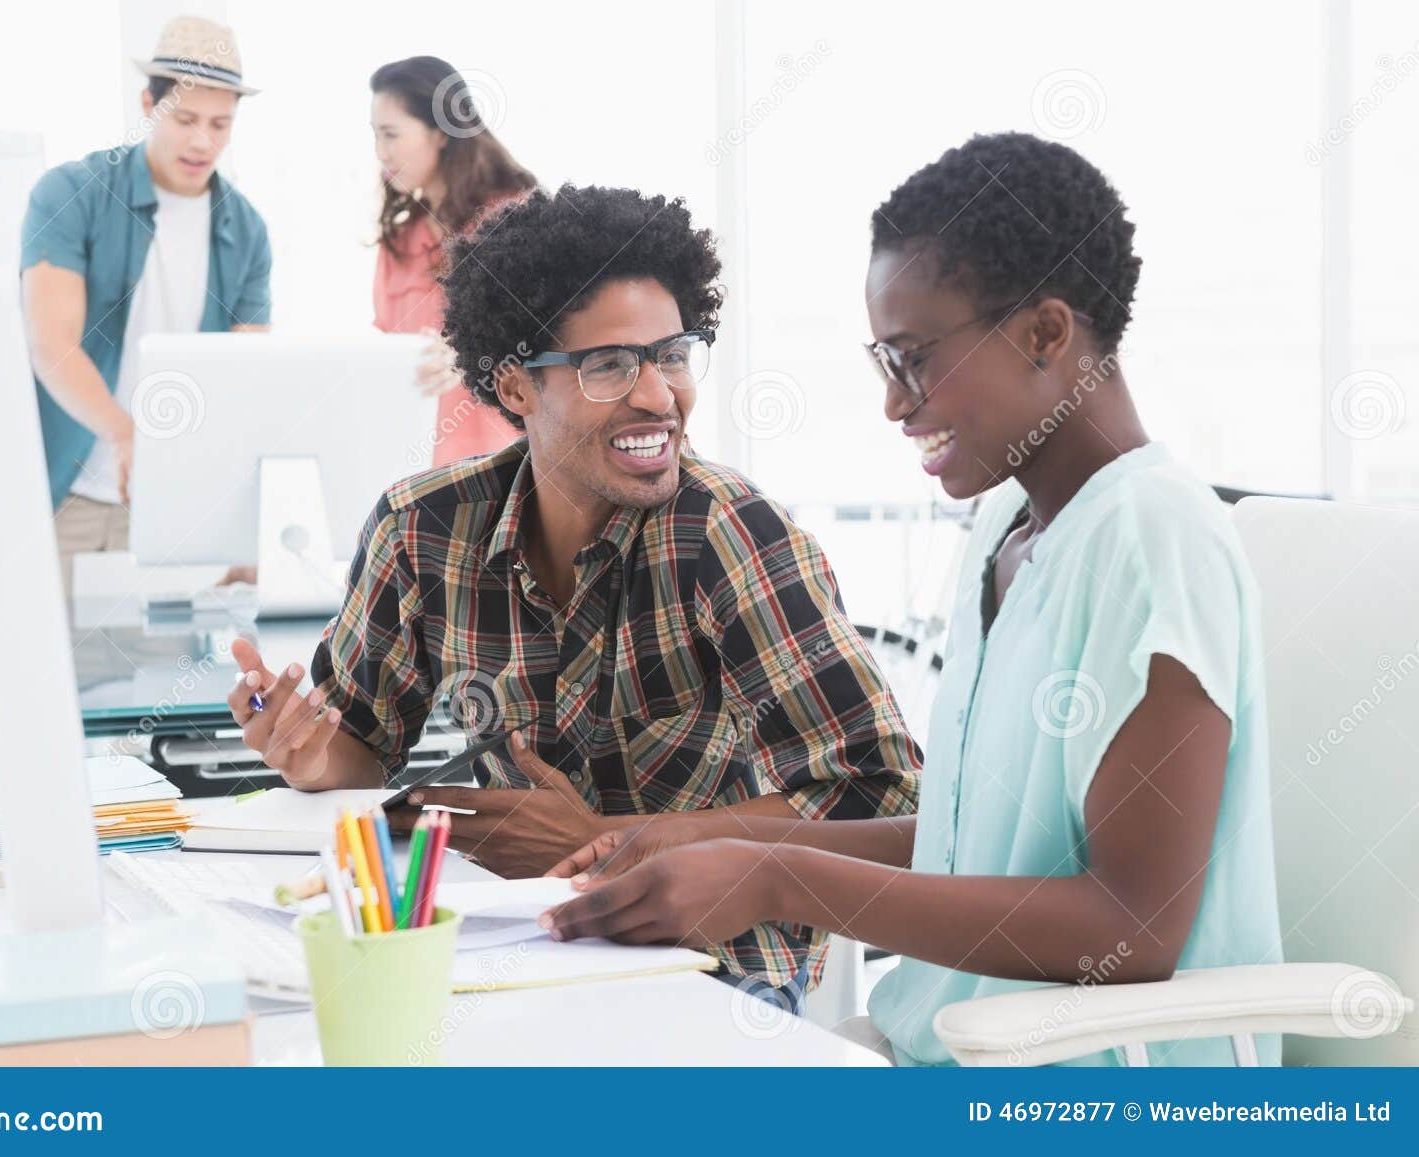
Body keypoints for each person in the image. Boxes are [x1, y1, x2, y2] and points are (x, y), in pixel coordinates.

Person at [540, 134, 1284, 1067]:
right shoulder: (1010, 524)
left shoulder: (1152, 536)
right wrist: (698, 839)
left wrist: (777, 876)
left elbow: (1129, 928)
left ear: (1046, 335)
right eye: (882, 361)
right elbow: (963, 839)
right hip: (937, 1053)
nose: (896, 404)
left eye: (914, 358)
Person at [226, 184, 921, 1006]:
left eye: (671, 353)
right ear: (517, 387)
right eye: (611, 366)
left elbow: (883, 801)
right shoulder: (422, 531)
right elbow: (361, 748)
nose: (661, 396)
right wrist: (307, 750)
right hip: (502, 947)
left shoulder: (728, 535)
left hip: (711, 969)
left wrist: (618, 841)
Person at [20, 15, 271, 599]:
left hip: (175, 513)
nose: (203, 141)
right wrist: (126, 434)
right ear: (148, 105)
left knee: (170, 680)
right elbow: (49, 344)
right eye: (184, 119)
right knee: (55, 680)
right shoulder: (71, 194)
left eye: (220, 124)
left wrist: (241, 530)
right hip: (66, 498)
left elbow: (248, 380)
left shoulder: (248, 230)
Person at [369, 56, 536, 466]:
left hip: (510, 469)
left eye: (391, 135)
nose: (381, 152)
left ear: (441, 132)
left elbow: (554, 341)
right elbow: (387, 360)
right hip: (421, 470)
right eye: (375, 136)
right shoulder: (399, 242)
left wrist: (470, 355)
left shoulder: (514, 219)